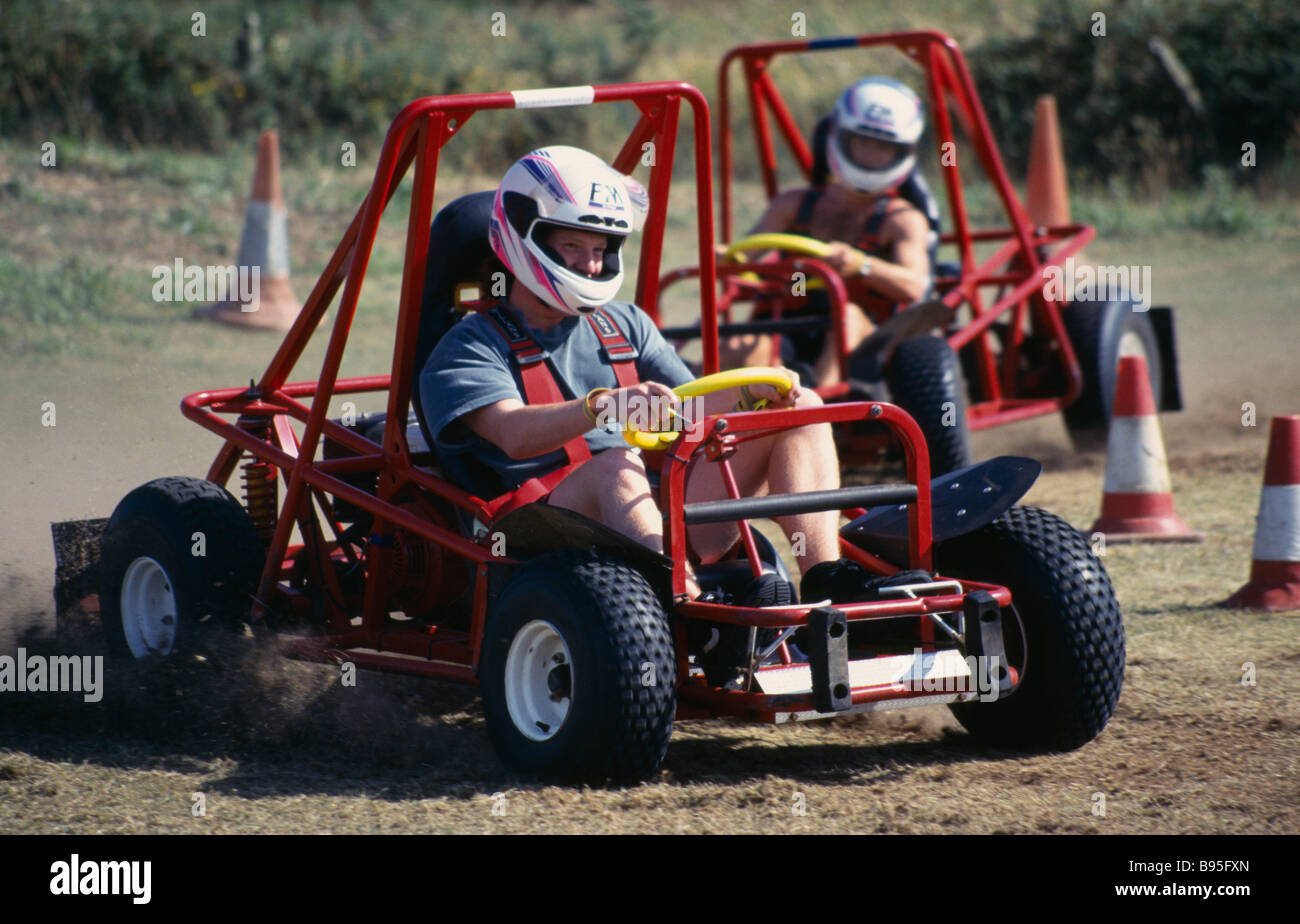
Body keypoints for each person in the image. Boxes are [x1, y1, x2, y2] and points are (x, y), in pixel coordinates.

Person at [419, 146, 844, 603]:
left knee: (800, 407)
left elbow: (687, 411)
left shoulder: (624, 323)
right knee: (615, 465)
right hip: (537, 527)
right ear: (528, 240)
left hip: (646, 502)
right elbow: (512, 432)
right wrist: (601, 408)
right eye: (572, 246)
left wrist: (750, 393)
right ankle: (688, 608)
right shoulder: (470, 344)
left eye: (600, 249)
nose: (591, 264)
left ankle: (828, 581)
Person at [723, 76, 938, 387]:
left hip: (863, 337)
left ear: (901, 153)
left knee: (847, 316)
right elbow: (743, 258)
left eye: (884, 148)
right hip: (787, 322)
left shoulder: (903, 219)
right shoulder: (792, 204)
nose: (871, 155)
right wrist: (726, 259)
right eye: (863, 142)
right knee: (736, 346)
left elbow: (915, 286)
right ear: (839, 137)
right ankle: (716, 424)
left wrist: (861, 265)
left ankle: (821, 416)